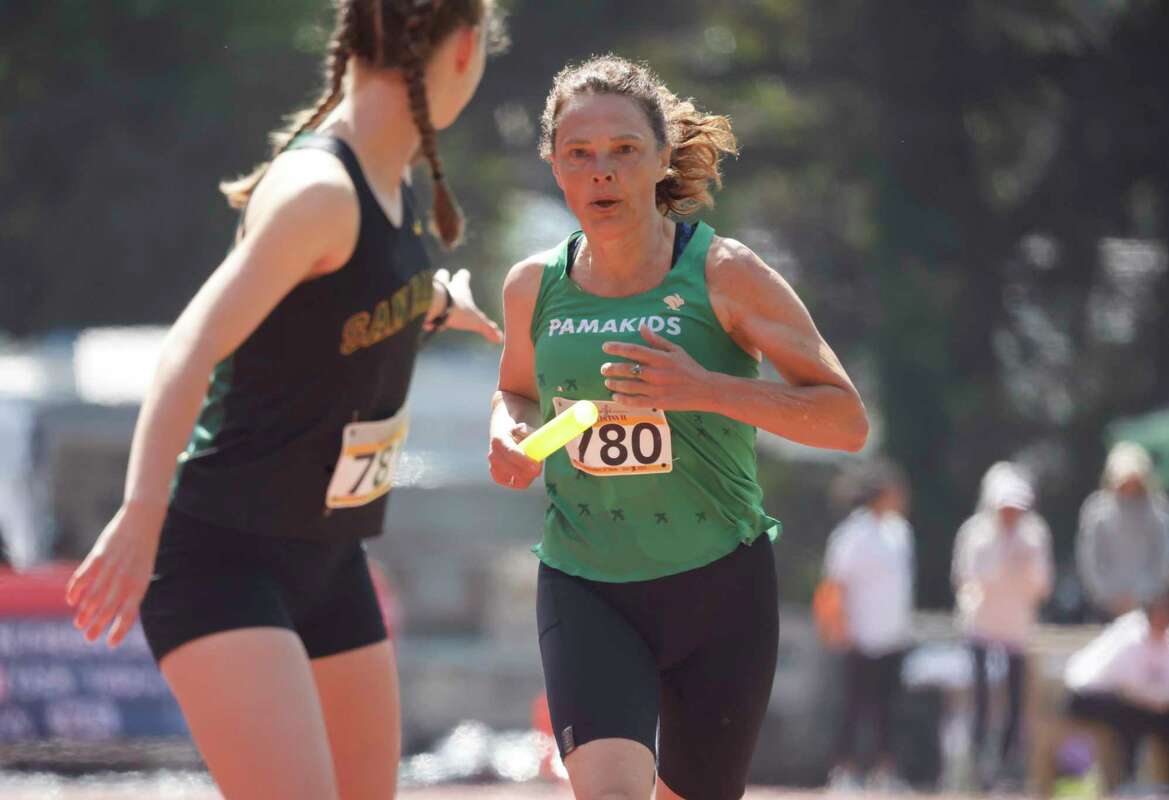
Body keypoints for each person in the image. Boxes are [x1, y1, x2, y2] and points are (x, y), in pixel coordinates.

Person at [64, 2, 503, 798]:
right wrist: (139, 511)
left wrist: (435, 304)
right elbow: (188, 347)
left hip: (329, 556)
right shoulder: (319, 191)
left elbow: (333, 304)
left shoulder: (389, 177)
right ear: (466, 49)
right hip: (220, 554)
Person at [488, 55, 869, 800]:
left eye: (624, 151)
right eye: (579, 155)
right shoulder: (532, 286)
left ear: (661, 158)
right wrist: (510, 433)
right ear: (555, 169)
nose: (602, 172)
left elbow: (845, 421)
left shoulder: (726, 272)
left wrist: (703, 389)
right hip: (585, 580)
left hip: (719, 589)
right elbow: (515, 393)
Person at [951, 462, 1053, 787]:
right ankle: (980, 766)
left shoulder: (1034, 535)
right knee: (980, 699)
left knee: (1014, 700)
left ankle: (1009, 767)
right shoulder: (975, 532)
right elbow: (966, 577)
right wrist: (1004, 569)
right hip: (981, 625)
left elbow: (1042, 584)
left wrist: (1019, 566)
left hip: (1017, 629)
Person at [821, 460, 914, 792]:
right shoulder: (852, 534)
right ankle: (843, 772)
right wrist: (837, 627)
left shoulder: (900, 531)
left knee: (889, 708)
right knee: (852, 707)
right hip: (858, 635)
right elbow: (835, 585)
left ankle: (885, 772)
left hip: (893, 634)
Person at [1063, 582, 1169, 788]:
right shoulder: (1132, 633)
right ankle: (1126, 781)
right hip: (1089, 695)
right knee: (1132, 715)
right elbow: (1132, 687)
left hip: (1141, 701)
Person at [1077, 441, 1169, 620]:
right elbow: (1089, 559)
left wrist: (1143, 594)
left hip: (1149, 605)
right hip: (1107, 607)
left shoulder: (1159, 511)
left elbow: (1164, 557)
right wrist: (1110, 595)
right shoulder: (1097, 511)